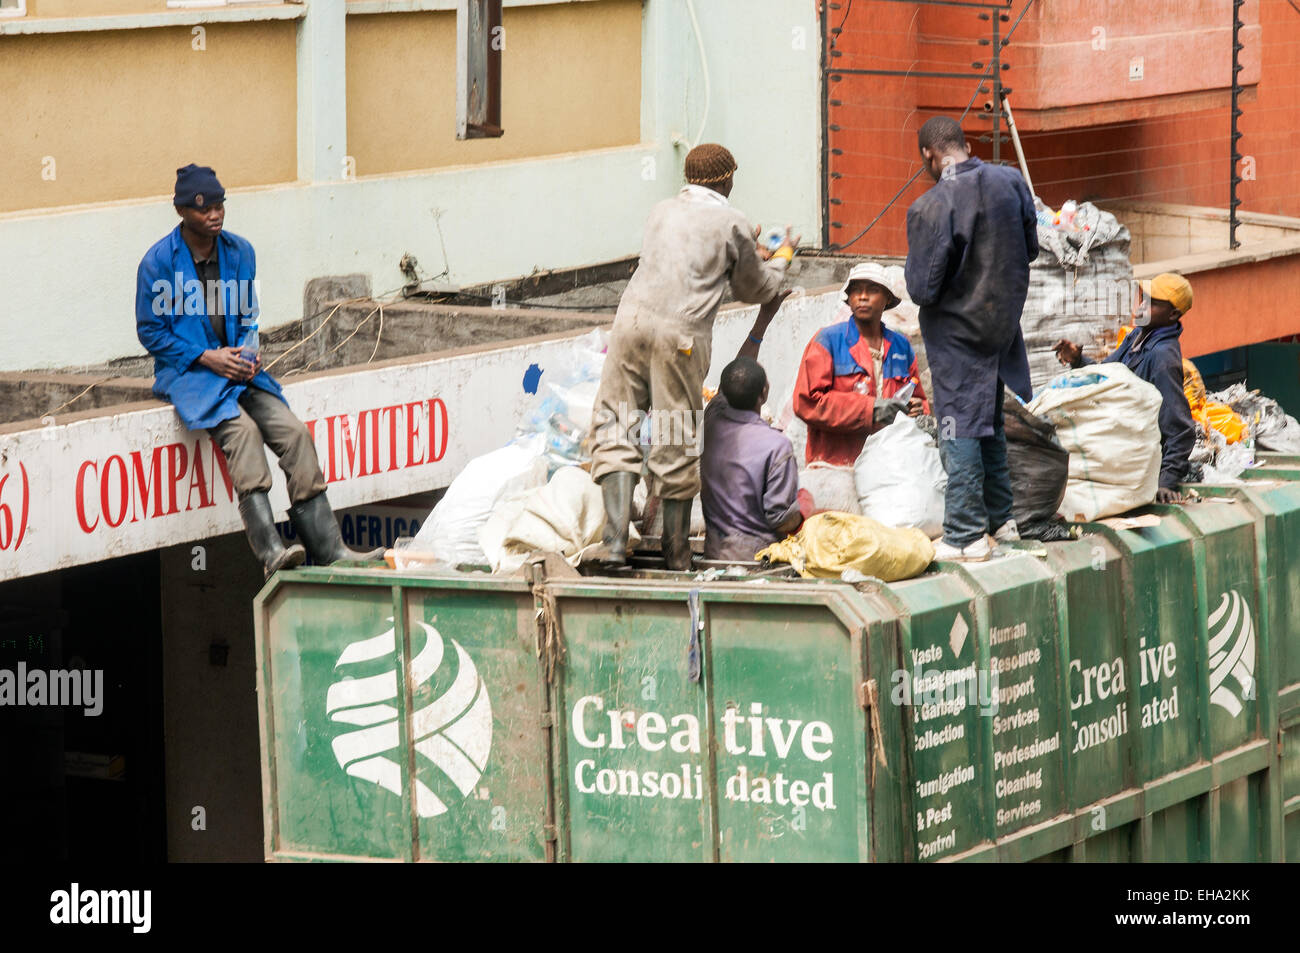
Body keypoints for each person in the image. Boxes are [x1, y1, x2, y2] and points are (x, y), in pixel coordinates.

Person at [135, 164, 383, 577]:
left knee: (296, 435)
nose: (215, 215)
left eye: (220, 206)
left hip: (242, 374)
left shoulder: (241, 252)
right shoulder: (157, 263)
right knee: (245, 435)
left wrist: (251, 350)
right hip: (194, 378)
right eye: (204, 209)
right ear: (182, 212)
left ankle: (329, 549)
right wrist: (205, 357)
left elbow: (249, 317)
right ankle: (271, 551)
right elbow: (150, 332)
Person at [589, 143, 798, 571]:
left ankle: (613, 546)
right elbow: (752, 289)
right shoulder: (732, 220)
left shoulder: (660, 211)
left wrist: (740, 251)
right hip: (678, 336)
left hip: (628, 326)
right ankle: (677, 553)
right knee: (676, 435)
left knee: (616, 423)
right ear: (727, 178)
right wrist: (781, 259)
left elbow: (687, 259)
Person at [904, 116, 1038, 561]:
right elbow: (1032, 249)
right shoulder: (1011, 182)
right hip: (1001, 326)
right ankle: (1003, 520)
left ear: (930, 154)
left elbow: (922, 289)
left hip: (957, 335)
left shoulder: (931, 206)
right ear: (963, 144)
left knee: (957, 426)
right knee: (990, 422)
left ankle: (964, 534)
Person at [1053, 273, 1197, 503]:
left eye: (1152, 303)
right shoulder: (1138, 337)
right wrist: (1079, 360)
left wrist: (1165, 482)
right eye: (1143, 299)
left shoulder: (1162, 358)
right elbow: (1108, 373)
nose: (1142, 307)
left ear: (1173, 314)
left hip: (1135, 453)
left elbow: (1181, 429)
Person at [700, 292, 805, 562]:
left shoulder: (713, 419)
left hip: (715, 553)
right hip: (758, 559)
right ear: (764, 393)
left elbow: (733, 377)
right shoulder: (777, 445)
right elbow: (780, 518)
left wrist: (763, 319)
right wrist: (805, 511)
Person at [793, 261, 927, 466]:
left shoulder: (902, 346)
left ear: (888, 299)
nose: (862, 296)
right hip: (837, 465)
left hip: (890, 464)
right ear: (849, 298)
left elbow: (917, 398)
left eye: (872, 290)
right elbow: (807, 403)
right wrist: (872, 409)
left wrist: (917, 410)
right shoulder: (827, 340)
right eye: (856, 290)